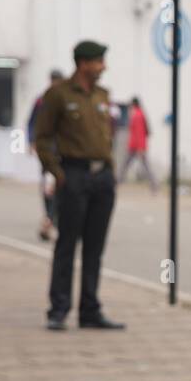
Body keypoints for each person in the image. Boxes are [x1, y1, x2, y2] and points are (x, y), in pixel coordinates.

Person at [34, 40, 125, 331]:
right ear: (84, 64)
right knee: (67, 244)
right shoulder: (58, 94)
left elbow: (106, 136)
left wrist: (111, 172)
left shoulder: (102, 95)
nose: (104, 67)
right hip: (73, 175)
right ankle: (58, 309)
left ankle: (90, 310)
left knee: (95, 248)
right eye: (99, 62)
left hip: (102, 179)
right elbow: (43, 136)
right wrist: (56, 172)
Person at [28, 69, 66, 241]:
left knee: (59, 186)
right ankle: (49, 218)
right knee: (47, 186)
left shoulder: (67, 100)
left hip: (63, 152)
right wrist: (31, 142)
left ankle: (51, 220)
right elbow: (31, 122)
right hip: (47, 152)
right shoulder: (41, 100)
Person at [120, 96, 158, 194]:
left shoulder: (137, 115)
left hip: (136, 146)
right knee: (127, 164)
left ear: (134, 105)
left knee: (132, 165)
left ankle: (154, 185)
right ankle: (154, 185)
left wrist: (140, 147)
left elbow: (139, 132)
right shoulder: (139, 114)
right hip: (136, 145)